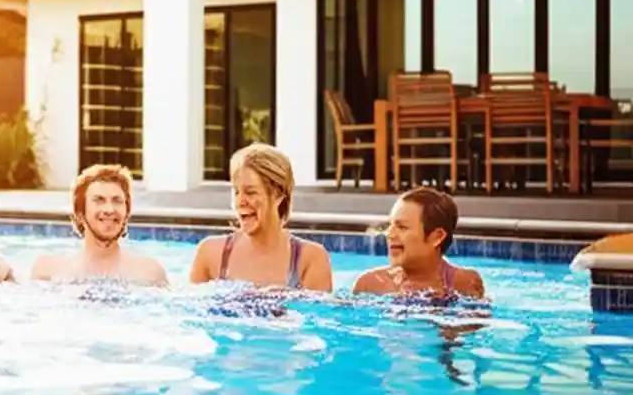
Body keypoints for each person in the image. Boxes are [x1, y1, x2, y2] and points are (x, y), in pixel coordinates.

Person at [189, 143, 333, 292]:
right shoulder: (210, 254)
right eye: (237, 192)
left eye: (250, 192)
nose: (240, 201)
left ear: (278, 195)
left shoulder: (310, 260)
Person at [30, 163, 168, 286]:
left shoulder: (150, 275)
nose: (109, 210)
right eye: (99, 200)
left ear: (127, 213)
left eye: (117, 201)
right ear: (80, 213)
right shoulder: (49, 272)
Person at [352, 187, 485, 299]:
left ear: (437, 237)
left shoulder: (464, 283)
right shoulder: (370, 285)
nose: (389, 235)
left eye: (402, 227)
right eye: (390, 226)